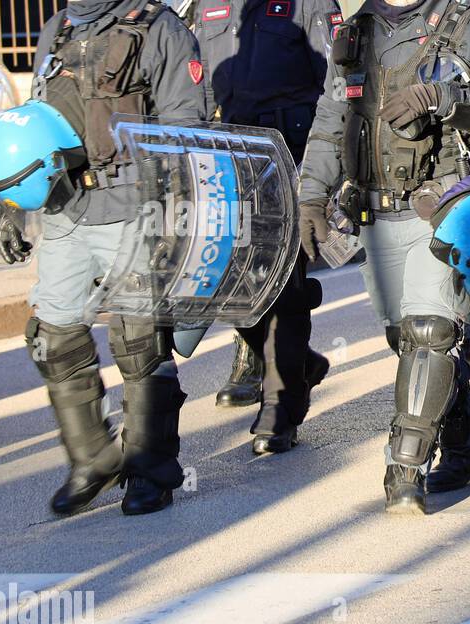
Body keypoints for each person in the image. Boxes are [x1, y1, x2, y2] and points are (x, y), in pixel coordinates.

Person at [296, 0, 470, 513]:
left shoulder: (466, 24)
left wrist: (442, 98)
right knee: (410, 343)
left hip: (438, 209)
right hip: (374, 217)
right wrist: (311, 195)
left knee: (430, 333)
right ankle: (467, 448)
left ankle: (405, 469)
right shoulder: (355, 33)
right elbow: (332, 119)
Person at [0, 0, 206, 516]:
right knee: (51, 335)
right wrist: (9, 207)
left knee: (139, 339)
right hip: (67, 208)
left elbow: (187, 126)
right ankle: (94, 458)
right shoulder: (58, 27)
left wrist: (177, 216)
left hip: (135, 203)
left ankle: (149, 469)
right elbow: (37, 127)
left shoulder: (159, 27)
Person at [193, 0, 335, 452]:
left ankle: (280, 406)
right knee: (230, 284)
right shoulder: (207, 5)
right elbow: (199, 90)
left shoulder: (308, 3)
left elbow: (335, 84)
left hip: (289, 155)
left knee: (284, 287)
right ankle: (300, 366)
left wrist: (326, 171)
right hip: (229, 158)